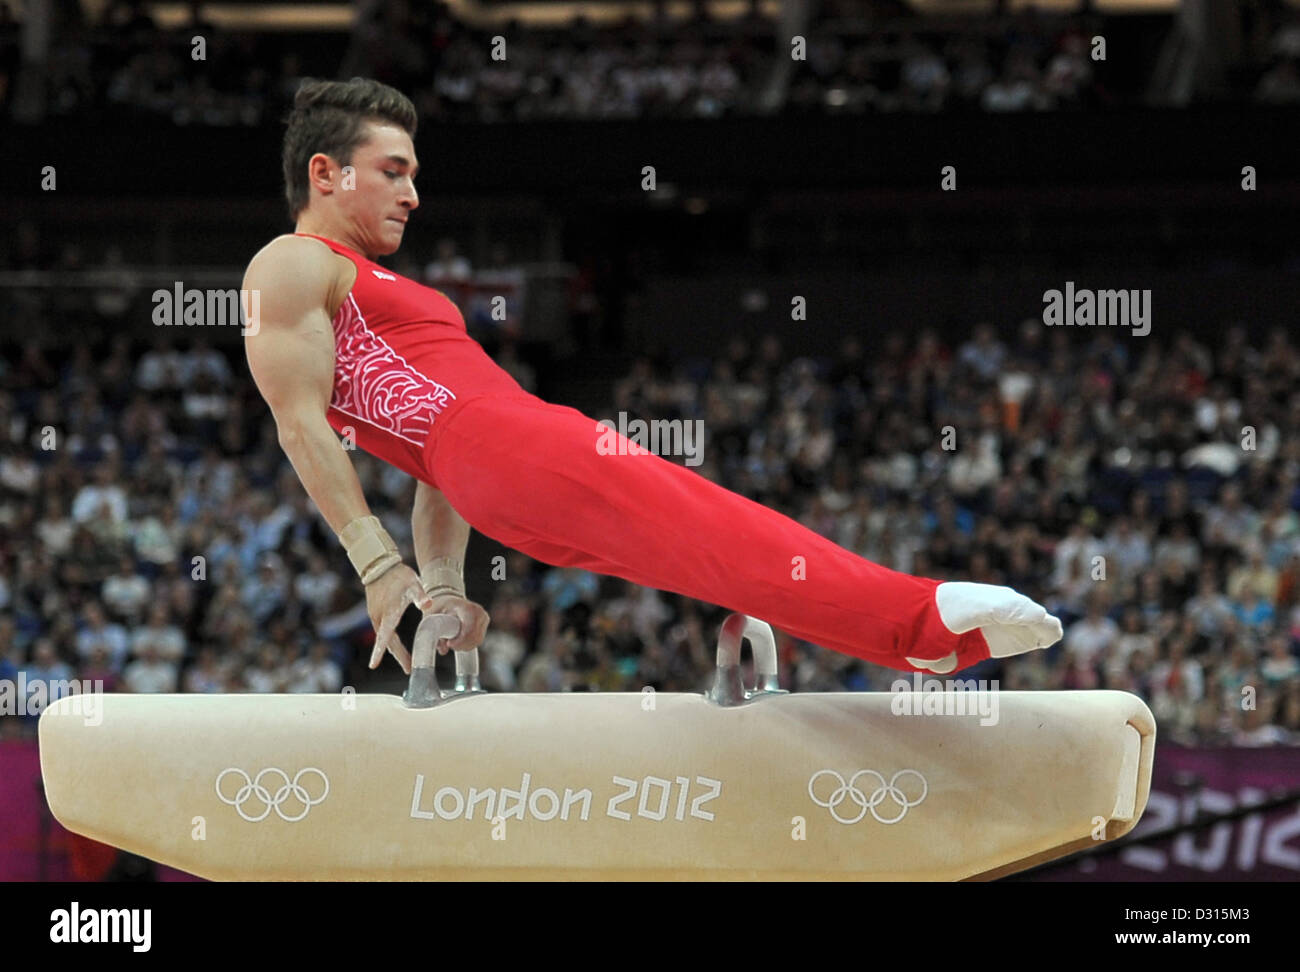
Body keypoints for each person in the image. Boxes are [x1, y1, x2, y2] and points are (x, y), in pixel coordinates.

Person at [241, 77, 1063, 676]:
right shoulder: (292, 262)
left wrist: (447, 587)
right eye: (393, 170)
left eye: (414, 173)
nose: (414, 194)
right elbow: (298, 421)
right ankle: (916, 622)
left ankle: (915, 638)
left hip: (489, 469)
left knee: (706, 556)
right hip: (503, 445)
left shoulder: (393, 292)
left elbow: (433, 465)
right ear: (325, 174)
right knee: (711, 525)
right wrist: (383, 571)